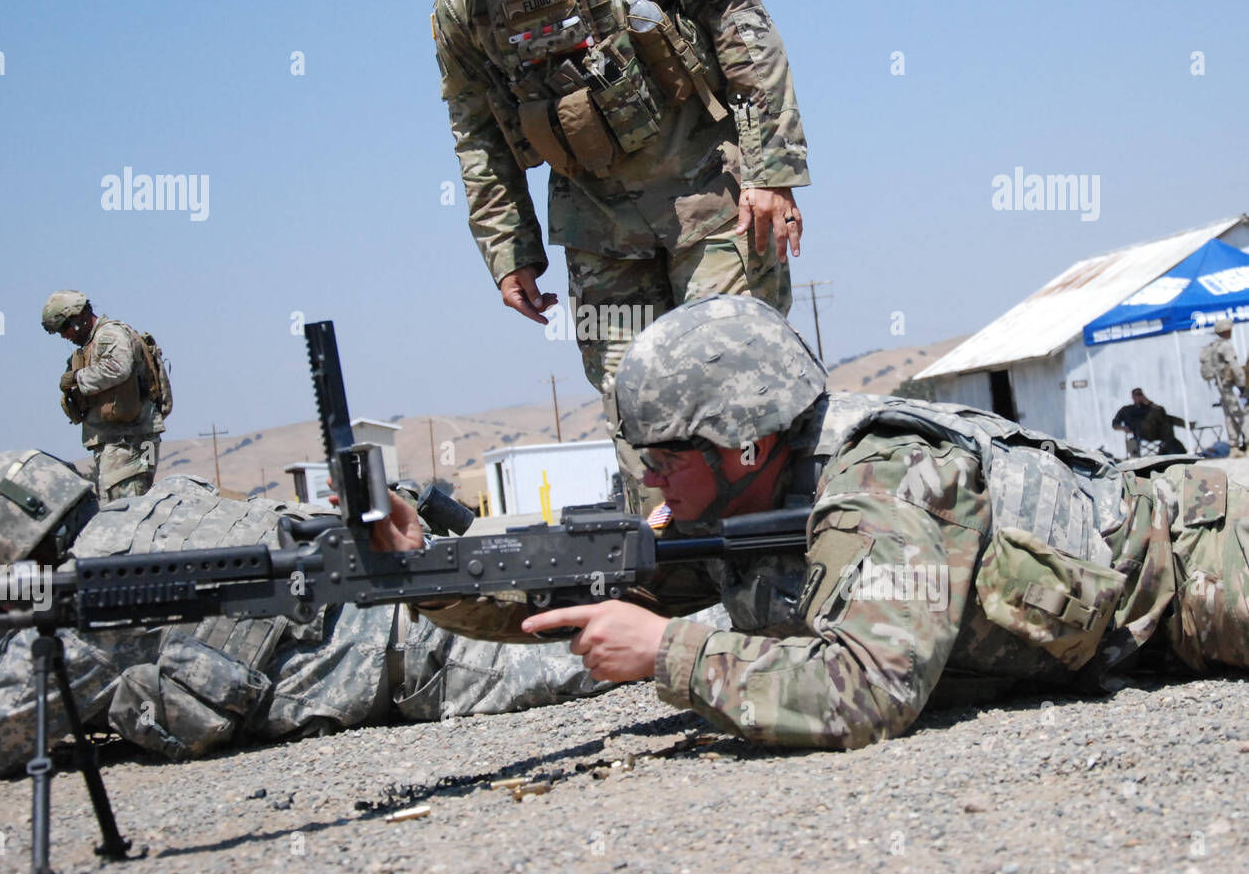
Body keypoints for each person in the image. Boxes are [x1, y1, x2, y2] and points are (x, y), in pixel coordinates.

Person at [397, 295, 1249, 750]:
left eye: (663, 455)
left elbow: (868, 693)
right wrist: (424, 569)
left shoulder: (881, 480)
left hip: (1201, 565)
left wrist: (670, 652)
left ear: (744, 445)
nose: (645, 476)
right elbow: (590, 596)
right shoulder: (743, 498)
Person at [398, 0, 810, 509]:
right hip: (598, 234)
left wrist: (772, 172)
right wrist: (509, 250)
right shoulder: (463, 6)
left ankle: (783, 559)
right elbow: (475, 132)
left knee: (737, 391)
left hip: (712, 202)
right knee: (636, 411)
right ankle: (665, 587)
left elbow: (742, 25)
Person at [0, 451, 605, 785]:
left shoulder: (90, 609)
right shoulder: (166, 499)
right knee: (613, 603)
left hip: (424, 660)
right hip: (422, 608)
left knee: (623, 649)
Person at [40, 291, 167, 502]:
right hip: (119, 440)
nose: (64, 335)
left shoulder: (110, 335)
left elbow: (118, 368)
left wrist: (78, 377)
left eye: (64, 327)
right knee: (119, 507)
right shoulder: (93, 342)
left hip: (129, 441)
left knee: (126, 512)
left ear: (79, 316)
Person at [1200, 317, 1246, 452]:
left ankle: (1234, 446)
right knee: (1241, 414)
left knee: (1229, 415)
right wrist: (1242, 384)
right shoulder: (1225, 346)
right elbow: (1234, 366)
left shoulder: (1214, 346)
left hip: (1221, 386)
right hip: (1229, 386)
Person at [1110, 387, 1185, 456]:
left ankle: (1171, 448)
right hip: (1139, 432)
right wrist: (1123, 428)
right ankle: (1185, 428)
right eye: (1137, 395)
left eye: (1140, 394)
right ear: (1133, 397)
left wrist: (1149, 403)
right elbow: (1115, 423)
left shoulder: (1148, 407)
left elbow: (1162, 412)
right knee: (1162, 416)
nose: (1139, 397)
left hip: (1154, 431)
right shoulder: (1126, 409)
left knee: (1167, 418)